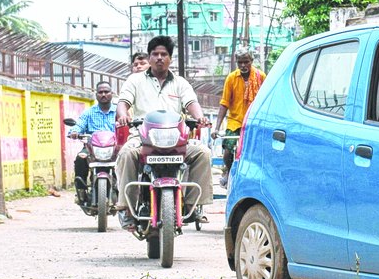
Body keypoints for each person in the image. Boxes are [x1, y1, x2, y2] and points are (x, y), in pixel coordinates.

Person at [114, 36, 212, 230]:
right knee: (126, 154)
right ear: (149, 58)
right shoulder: (135, 80)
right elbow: (123, 102)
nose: (159, 58)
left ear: (170, 58)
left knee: (203, 153)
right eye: (155, 54)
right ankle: (126, 208)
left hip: (176, 139)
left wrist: (200, 117)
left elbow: (192, 103)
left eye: (164, 54)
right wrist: (123, 115)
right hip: (143, 138)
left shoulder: (180, 83)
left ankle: (194, 205)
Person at [212, 49, 266, 179]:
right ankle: (230, 173)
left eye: (246, 62)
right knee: (227, 153)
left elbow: (266, 101)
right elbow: (224, 103)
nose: (243, 66)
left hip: (255, 122)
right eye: (240, 62)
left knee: (261, 153)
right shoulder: (231, 78)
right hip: (235, 122)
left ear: (252, 61)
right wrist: (217, 128)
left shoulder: (261, 77)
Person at [67, 81, 116, 204]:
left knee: (129, 158)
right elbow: (79, 125)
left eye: (106, 92)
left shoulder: (119, 111)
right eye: (100, 92)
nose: (103, 94)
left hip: (114, 149)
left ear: (112, 94)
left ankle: (130, 193)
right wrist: (74, 132)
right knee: (80, 158)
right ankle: (81, 191)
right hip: (92, 148)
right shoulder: (89, 113)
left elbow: (127, 124)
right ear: (96, 94)